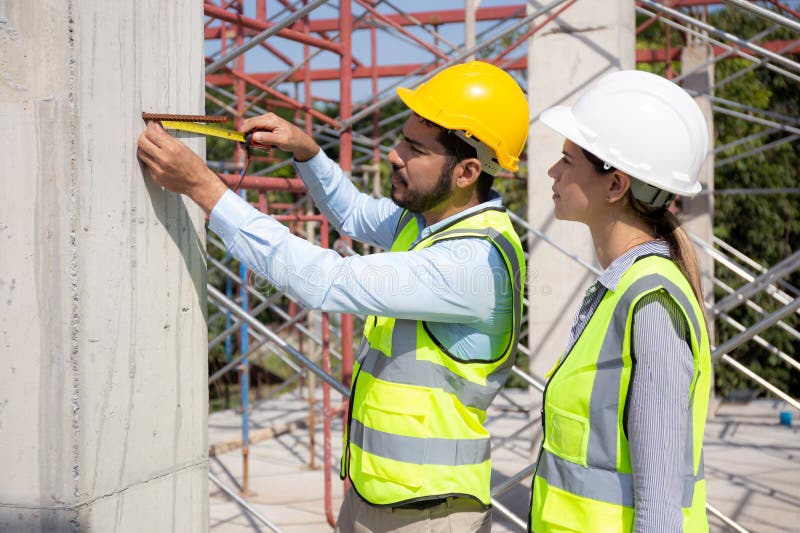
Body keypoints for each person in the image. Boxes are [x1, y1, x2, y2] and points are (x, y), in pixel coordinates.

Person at [137, 61, 528, 532]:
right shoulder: (429, 221)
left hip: (430, 513)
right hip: (377, 496)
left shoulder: (470, 265)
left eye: (415, 149)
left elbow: (321, 280)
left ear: (466, 171)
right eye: (402, 138)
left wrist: (202, 187)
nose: (394, 154)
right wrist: (307, 152)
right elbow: (354, 213)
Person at [526, 69, 712, 533]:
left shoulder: (651, 303)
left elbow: (660, 509)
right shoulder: (621, 287)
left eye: (568, 160)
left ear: (616, 185)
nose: (553, 170)